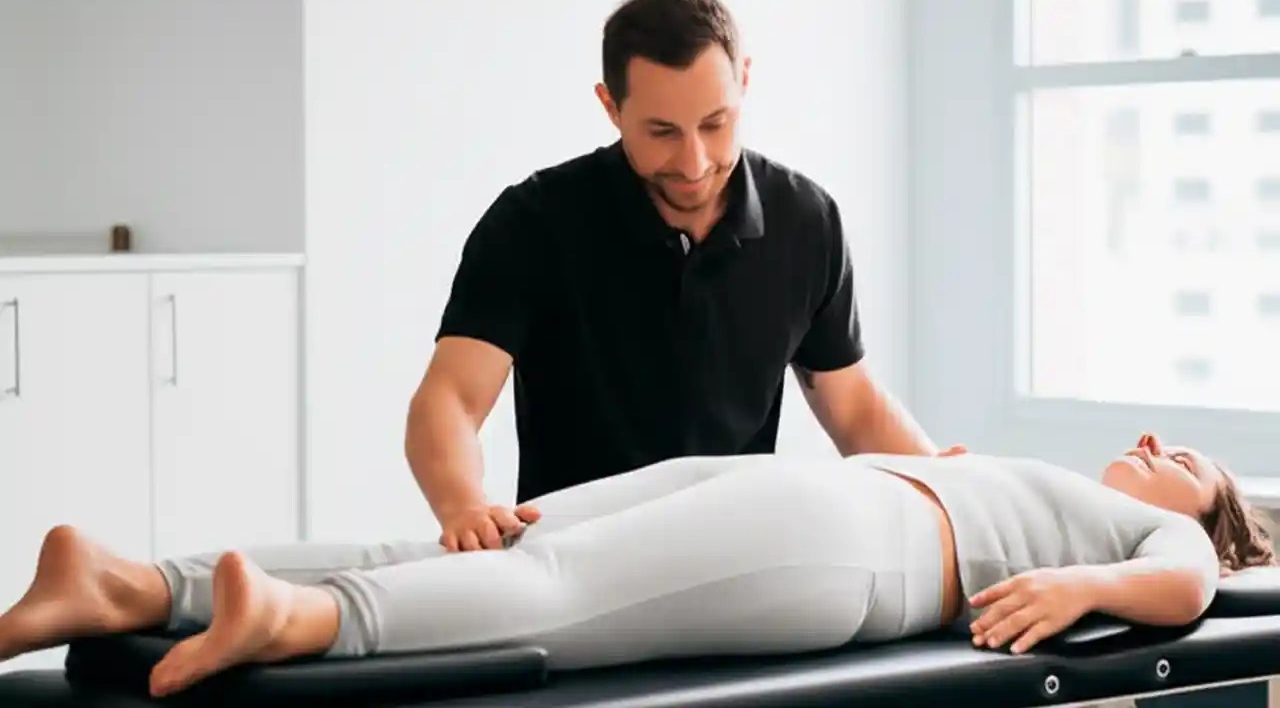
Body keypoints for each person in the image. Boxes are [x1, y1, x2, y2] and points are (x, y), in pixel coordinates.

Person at [0, 433, 1273, 698]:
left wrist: (1083, 591)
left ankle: (295, 622)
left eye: (1188, 459)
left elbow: (1190, 592)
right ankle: (128, 586)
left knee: (553, 593)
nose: (1156, 449)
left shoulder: (1147, 540)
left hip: (859, 550)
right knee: (505, 536)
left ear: (1208, 511)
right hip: (793, 491)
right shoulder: (1044, 473)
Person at [405, 0, 954, 554]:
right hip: (574, 558)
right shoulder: (532, 222)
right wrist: (462, 505)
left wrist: (949, 486)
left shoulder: (806, 220)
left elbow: (854, 408)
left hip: (736, 560)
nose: (694, 163)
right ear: (610, 107)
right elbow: (452, 397)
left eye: (716, 124)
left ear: (744, 80)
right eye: (662, 132)